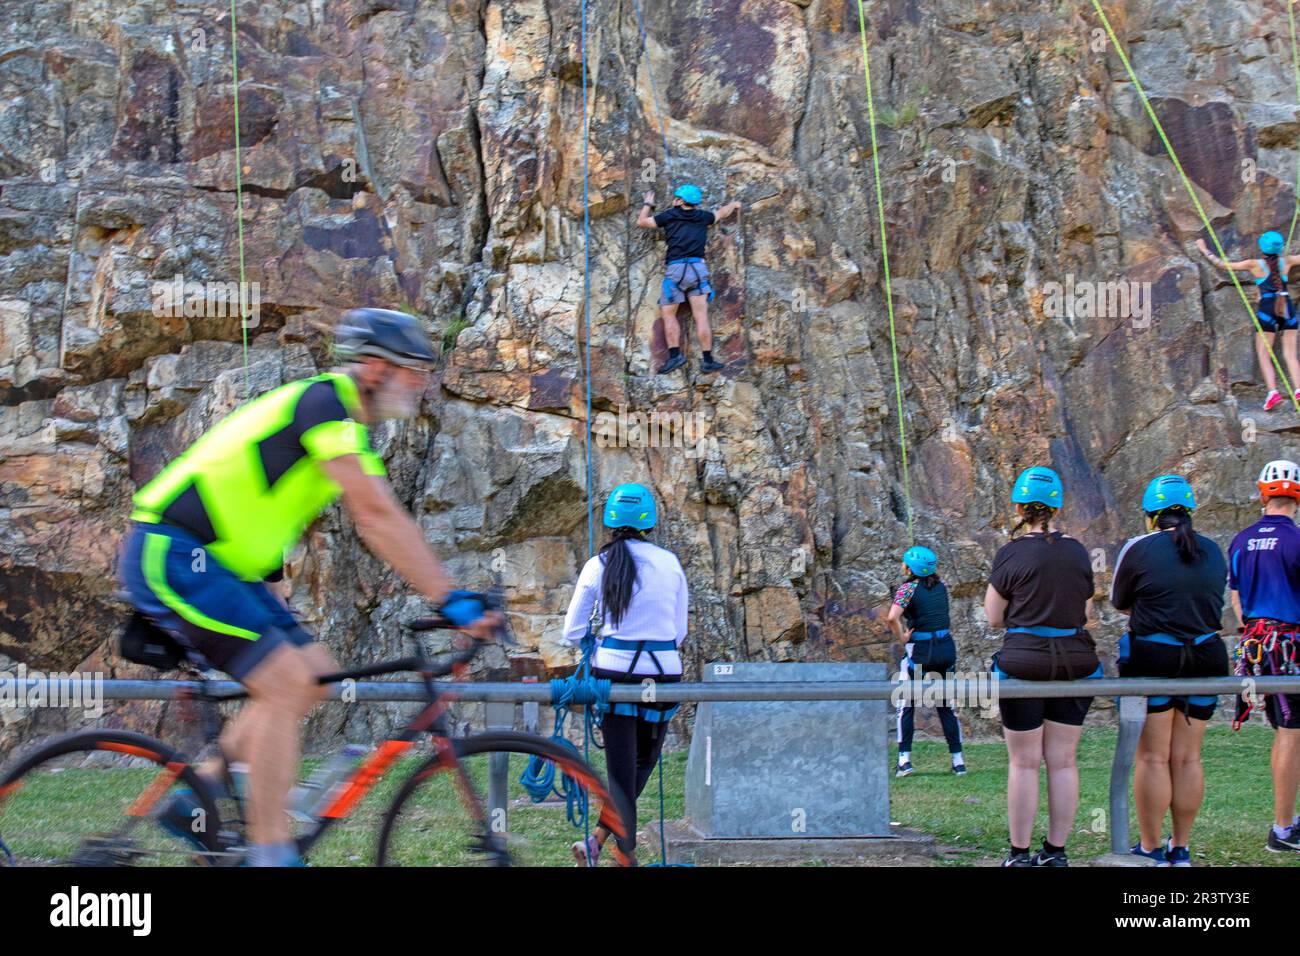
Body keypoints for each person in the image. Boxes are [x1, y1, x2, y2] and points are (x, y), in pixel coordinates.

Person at [120, 309, 499, 867]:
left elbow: (266, 496)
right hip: (174, 550)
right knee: (286, 680)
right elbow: (376, 515)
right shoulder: (326, 405)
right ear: (373, 367)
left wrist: (271, 584)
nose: (422, 382)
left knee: (312, 672)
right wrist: (451, 598)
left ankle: (196, 796)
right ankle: (272, 854)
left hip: (222, 563)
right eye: (413, 369)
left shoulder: (345, 427)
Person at [561, 483, 687, 865]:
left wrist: (595, 640)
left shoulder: (597, 565)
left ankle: (613, 848)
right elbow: (678, 632)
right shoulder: (670, 563)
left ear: (610, 522)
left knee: (621, 770)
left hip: (615, 675)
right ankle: (611, 847)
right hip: (664, 674)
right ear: (650, 521)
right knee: (642, 763)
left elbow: (572, 631)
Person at [984, 466, 1101, 867]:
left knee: (1024, 761)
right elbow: (1085, 610)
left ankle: (1018, 854)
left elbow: (994, 617)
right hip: (1075, 661)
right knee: (1063, 760)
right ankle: (1055, 852)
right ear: (1056, 507)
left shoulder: (1011, 553)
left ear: (1018, 507)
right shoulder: (1078, 551)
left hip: (1024, 663)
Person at [1110, 475, 1228, 866]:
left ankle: (1150, 847)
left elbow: (1120, 601)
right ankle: (1181, 848)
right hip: (1207, 655)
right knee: (1188, 758)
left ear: (1151, 517)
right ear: (1189, 512)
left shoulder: (1138, 549)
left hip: (1154, 655)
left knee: (1154, 758)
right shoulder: (1213, 550)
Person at [1227, 459, 1300, 854]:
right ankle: (1282, 830)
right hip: (1290, 647)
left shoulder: (1241, 541)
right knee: (1291, 733)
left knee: (1287, 733)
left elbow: (1237, 602)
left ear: (1263, 493)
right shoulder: (1297, 540)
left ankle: (1288, 823)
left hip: (1260, 646)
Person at [636, 184, 741, 375]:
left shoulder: (669, 215)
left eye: (677, 197)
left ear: (681, 201)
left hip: (676, 269)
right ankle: (707, 360)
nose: (674, 199)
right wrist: (734, 204)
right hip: (697, 269)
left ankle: (675, 356)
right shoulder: (703, 217)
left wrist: (647, 203)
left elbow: (642, 222)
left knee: (669, 314)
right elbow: (721, 213)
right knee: (701, 316)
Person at [1196, 231, 1300, 411]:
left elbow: (1223, 265)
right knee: (1290, 354)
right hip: (1287, 307)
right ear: (1280, 247)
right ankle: (1299, 390)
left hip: (1268, 307)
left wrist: (1204, 250)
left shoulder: (1254, 264)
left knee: (1263, 353)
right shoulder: (1288, 261)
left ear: (1262, 247)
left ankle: (1273, 392)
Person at [888, 545, 966, 777]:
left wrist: (902, 636)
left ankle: (904, 761)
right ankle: (958, 761)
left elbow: (892, 617)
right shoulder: (942, 587)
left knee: (906, 704)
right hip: (945, 650)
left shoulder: (907, 588)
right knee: (946, 706)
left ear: (910, 568)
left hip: (920, 653)